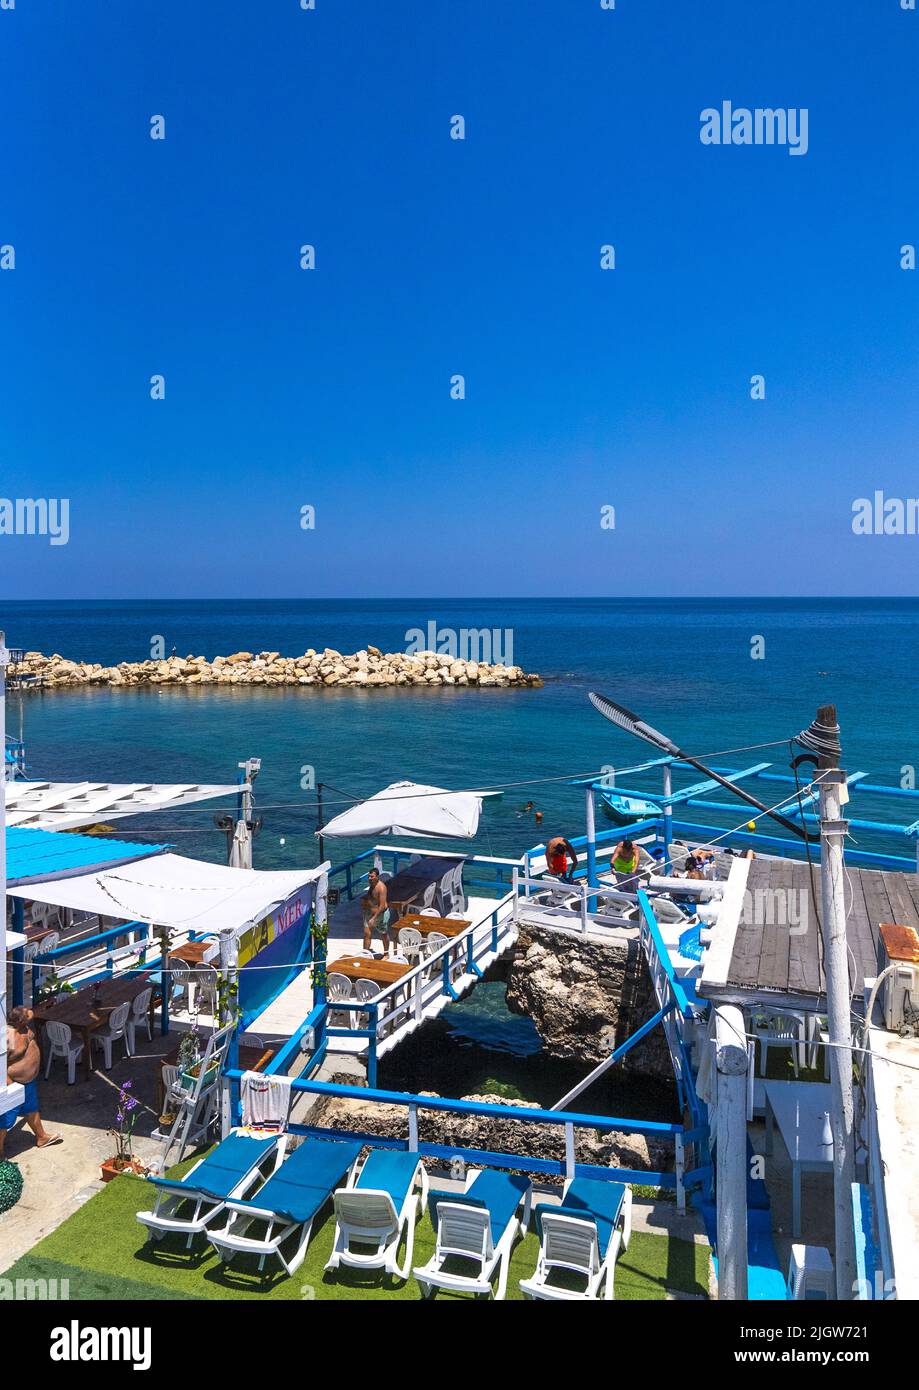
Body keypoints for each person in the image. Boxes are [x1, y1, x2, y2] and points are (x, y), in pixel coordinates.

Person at [0, 1006, 61, 1158]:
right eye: (28, 1017)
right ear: (20, 1021)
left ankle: (41, 1137)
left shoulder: (25, 1028)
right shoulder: (7, 1036)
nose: (31, 1018)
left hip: (29, 1082)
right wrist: (10, 1084)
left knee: (31, 1109)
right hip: (14, 1084)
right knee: (5, 1121)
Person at [361, 867, 392, 955]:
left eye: (372, 877)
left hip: (380, 914)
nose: (369, 878)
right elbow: (371, 897)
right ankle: (365, 953)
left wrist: (374, 918)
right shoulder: (372, 884)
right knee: (367, 934)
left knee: (383, 934)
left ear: (377, 877)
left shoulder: (381, 888)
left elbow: (382, 906)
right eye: (369, 876)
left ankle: (386, 954)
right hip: (369, 913)